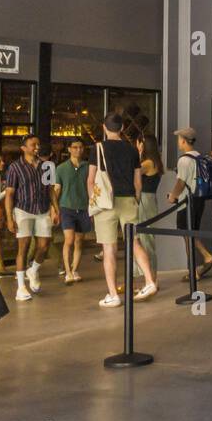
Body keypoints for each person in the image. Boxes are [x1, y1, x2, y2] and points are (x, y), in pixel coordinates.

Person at [88, 113, 157, 307]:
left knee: (109, 249)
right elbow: (138, 181)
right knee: (134, 242)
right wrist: (134, 199)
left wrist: (93, 203)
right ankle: (150, 281)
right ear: (122, 128)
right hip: (128, 200)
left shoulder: (98, 148)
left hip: (105, 203)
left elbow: (91, 180)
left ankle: (113, 294)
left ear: (104, 127)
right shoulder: (132, 150)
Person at [3, 134, 58, 302]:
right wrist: (9, 218)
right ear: (24, 148)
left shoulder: (47, 166)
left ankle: (33, 270)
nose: (36, 147)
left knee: (44, 245)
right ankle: (21, 287)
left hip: (42, 210)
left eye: (38, 144)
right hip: (23, 210)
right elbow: (9, 194)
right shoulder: (15, 167)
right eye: (33, 145)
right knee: (23, 247)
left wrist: (56, 209)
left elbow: (50, 190)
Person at [169, 127, 212, 279]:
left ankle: (199, 264)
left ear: (183, 141)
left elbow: (181, 182)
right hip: (199, 199)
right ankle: (196, 268)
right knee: (190, 233)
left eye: (178, 139)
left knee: (186, 234)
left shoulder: (184, 160)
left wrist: (172, 196)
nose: (178, 142)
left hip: (186, 201)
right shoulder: (200, 157)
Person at [55, 138, 91, 285]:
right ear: (69, 149)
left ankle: (74, 269)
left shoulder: (88, 167)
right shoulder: (61, 168)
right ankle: (68, 272)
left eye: (81, 147)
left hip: (83, 207)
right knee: (69, 239)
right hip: (66, 207)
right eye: (75, 147)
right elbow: (57, 189)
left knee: (79, 241)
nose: (78, 150)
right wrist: (54, 208)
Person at [137, 137, 164, 271]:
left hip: (145, 200)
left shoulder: (147, 163)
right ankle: (149, 277)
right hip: (150, 199)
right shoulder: (155, 161)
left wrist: (138, 152)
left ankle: (150, 277)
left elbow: (134, 172)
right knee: (146, 237)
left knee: (145, 238)